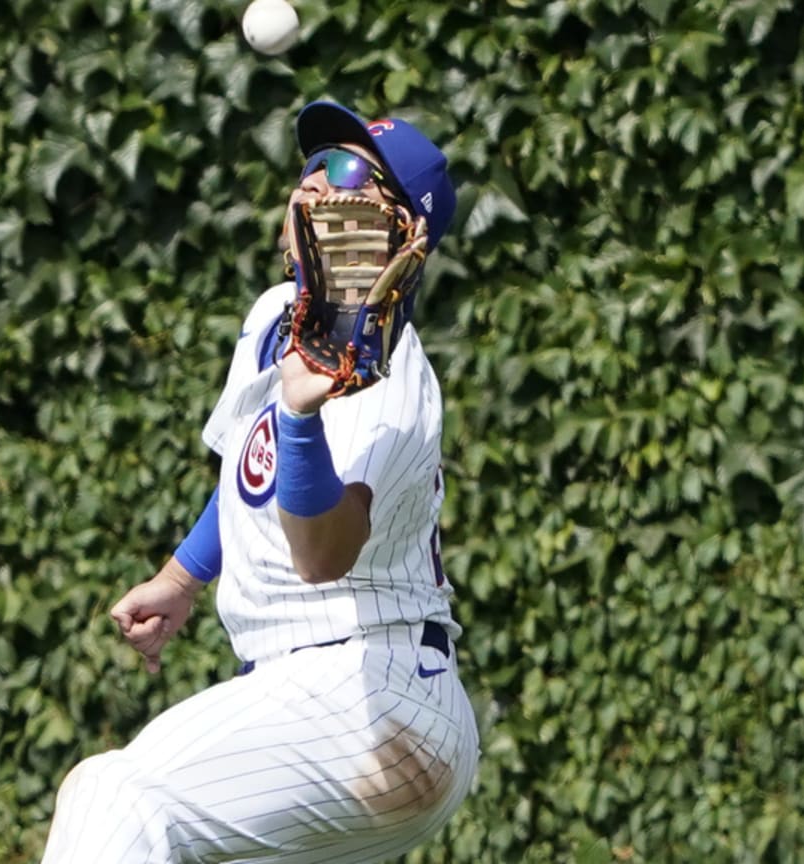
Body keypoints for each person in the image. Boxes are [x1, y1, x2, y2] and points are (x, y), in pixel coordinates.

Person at [41, 100, 479, 863]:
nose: (314, 187)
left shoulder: (393, 378)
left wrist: (305, 417)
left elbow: (323, 555)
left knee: (117, 796)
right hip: (328, 695)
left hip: (368, 693)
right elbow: (251, 469)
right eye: (311, 167)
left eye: (345, 173)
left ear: (402, 233)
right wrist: (181, 577)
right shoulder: (280, 314)